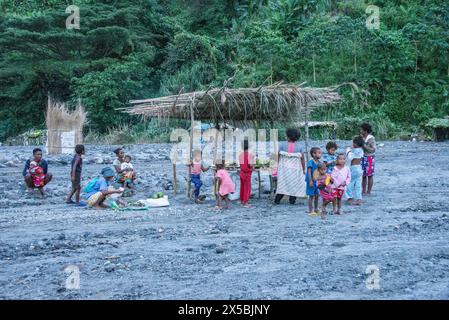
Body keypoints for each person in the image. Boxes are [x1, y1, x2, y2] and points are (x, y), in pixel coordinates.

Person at [274, 128, 306, 205]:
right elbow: (302, 159)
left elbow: (278, 156)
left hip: (284, 169)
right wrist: (304, 169)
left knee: (283, 184)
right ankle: (292, 200)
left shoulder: (282, 145)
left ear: (287, 136)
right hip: (295, 169)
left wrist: (276, 166)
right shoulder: (300, 147)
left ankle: (277, 199)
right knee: (294, 184)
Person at [345, 136, 365, 205]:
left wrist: (348, 150)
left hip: (354, 168)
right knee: (358, 184)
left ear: (355, 144)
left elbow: (350, 157)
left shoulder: (354, 150)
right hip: (359, 168)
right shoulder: (361, 150)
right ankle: (359, 198)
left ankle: (350, 197)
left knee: (349, 183)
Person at [360, 123, 376, 195]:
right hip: (363, 157)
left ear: (365, 131)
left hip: (369, 158)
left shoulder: (371, 138)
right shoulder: (362, 137)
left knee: (369, 175)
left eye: (361, 129)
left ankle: (368, 191)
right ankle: (363, 191)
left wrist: (364, 146)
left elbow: (373, 149)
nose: (360, 131)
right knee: (363, 175)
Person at [238, 140, 255, 208]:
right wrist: (253, 164)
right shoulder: (250, 155)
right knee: (247, 188)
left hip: (242, 173)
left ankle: (242, 200)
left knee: (242, 187)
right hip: (247, 173)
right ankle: (245, 202)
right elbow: (250, 165)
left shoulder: (240, 155)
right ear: (249, 147)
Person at [305, 147, 321, 216]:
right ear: (314, 154)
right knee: (311, 196)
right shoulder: (310, 162)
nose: (320, 154)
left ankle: (316, 208)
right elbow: (309, 172)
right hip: (311, 181)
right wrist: (310, 180)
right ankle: (310, 210)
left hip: (317, 182)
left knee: (317, 195)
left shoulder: (319, 163)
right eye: (319, 153)